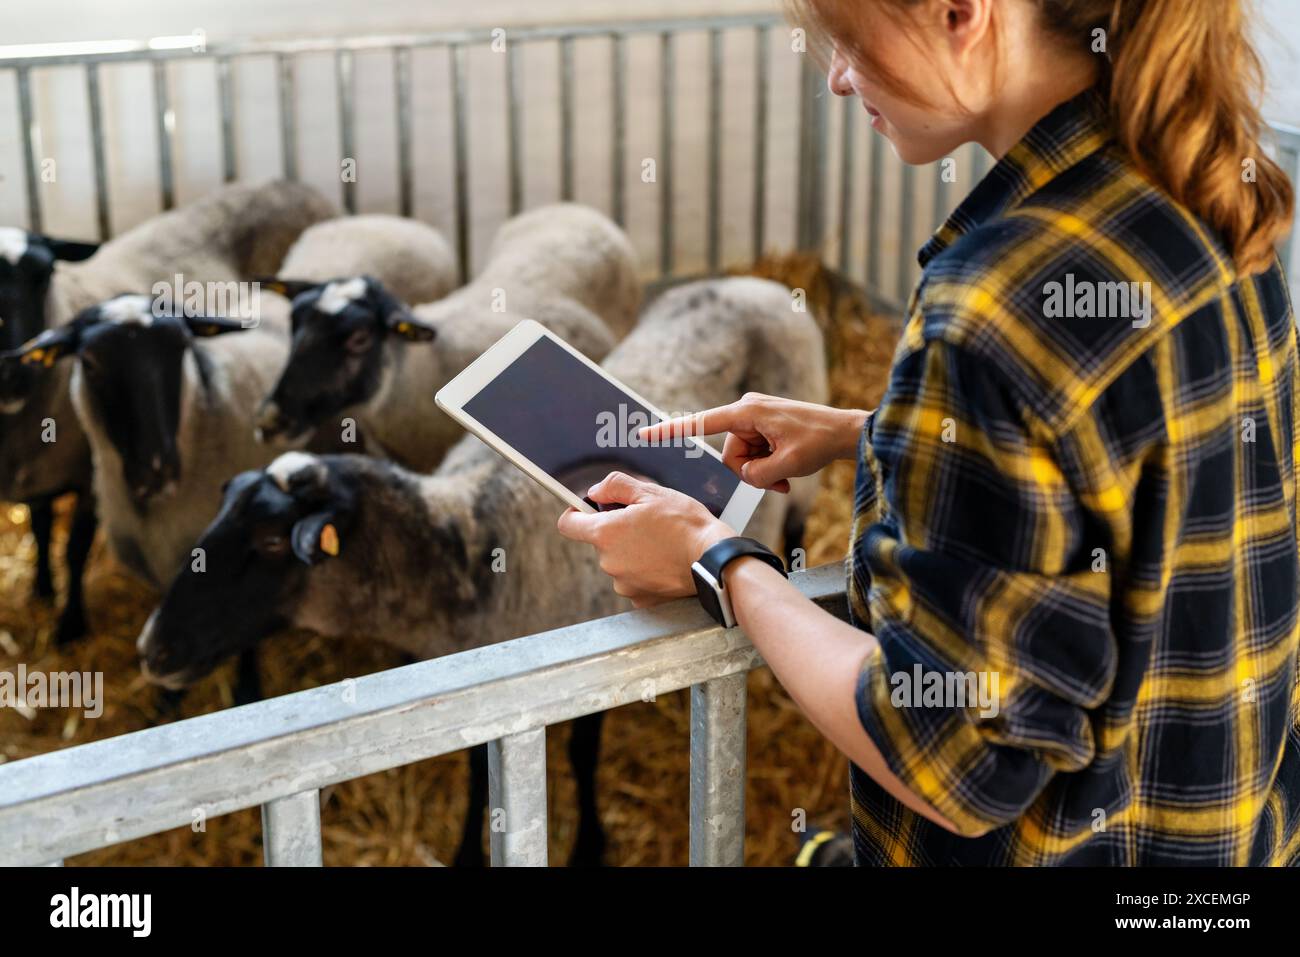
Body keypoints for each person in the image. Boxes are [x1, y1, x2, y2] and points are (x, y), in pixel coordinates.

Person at [557, 0, 1300, 866]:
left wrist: (716, 559)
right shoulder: (1201, 175)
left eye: (848, 40)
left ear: (959, 12)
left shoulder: (995, 305)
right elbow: (1130, 465)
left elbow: (952, 764)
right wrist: (873, 433)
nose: (837, 78)